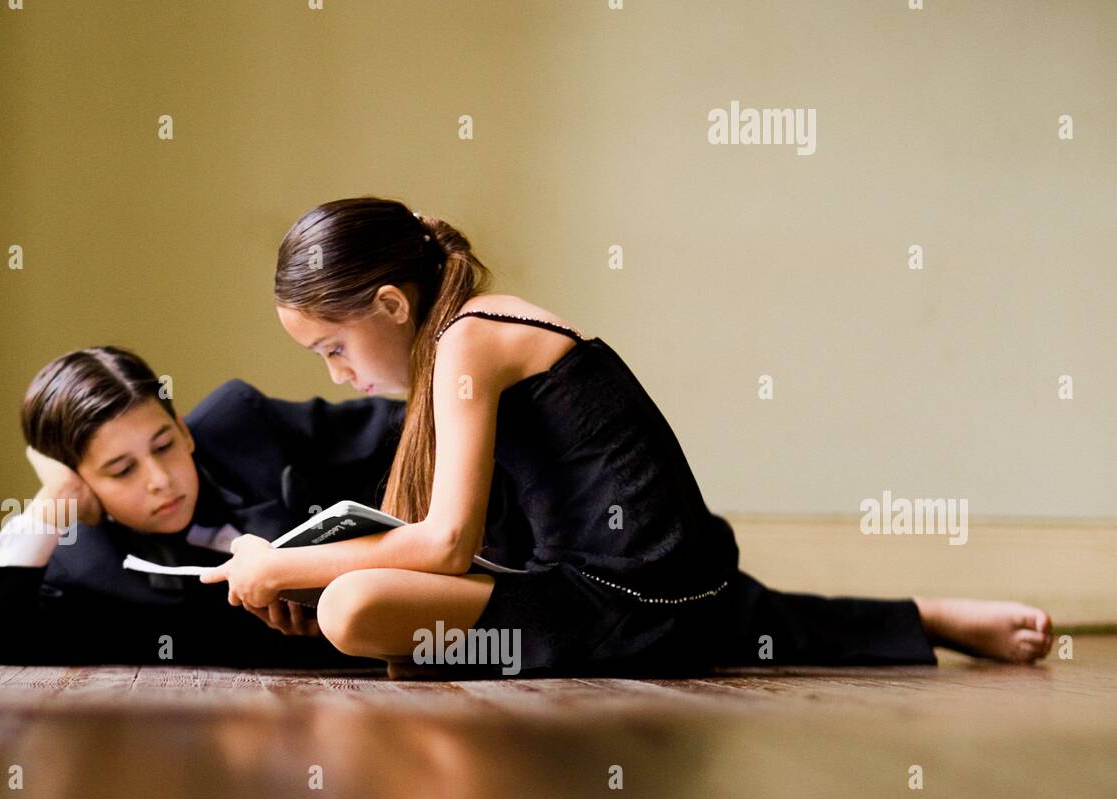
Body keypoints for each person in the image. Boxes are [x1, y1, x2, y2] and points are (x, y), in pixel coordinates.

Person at [200, 197, 1054, 677]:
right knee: (746, 620)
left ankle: (931, 619)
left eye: (334, 349)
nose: (337, 374)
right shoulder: (464, 339)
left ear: (391, 304)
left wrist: (278, 563)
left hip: (634, 596)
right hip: (652, 584)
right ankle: (933, 617)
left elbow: (446, 548)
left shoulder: (470, 338)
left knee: (358, 602)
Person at [0, 346, 406, 667]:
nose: (160, 481)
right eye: (121, 471)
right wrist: (52, 506)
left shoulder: (243, 424)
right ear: (80, 481)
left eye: (163, 445)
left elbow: (409, 426)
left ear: (183, 429)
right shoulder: (82, 563)